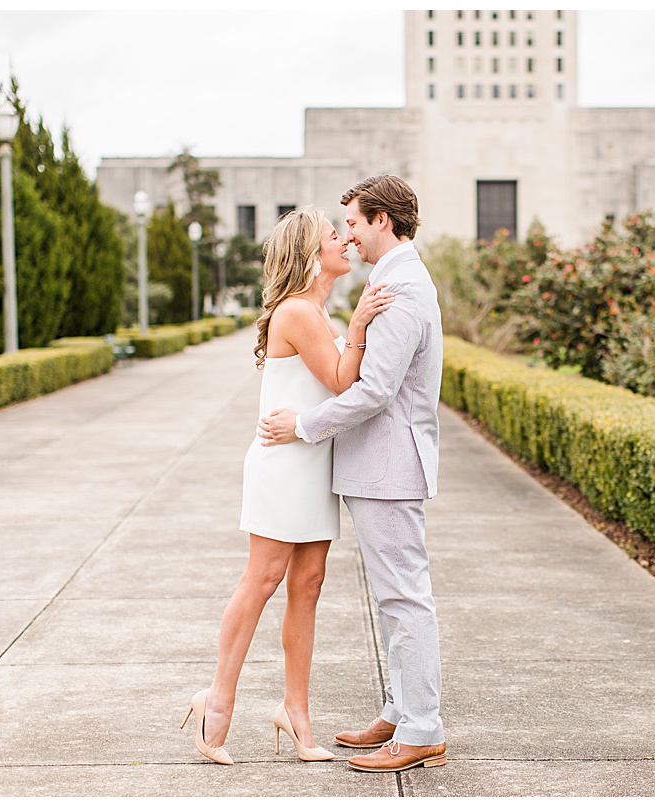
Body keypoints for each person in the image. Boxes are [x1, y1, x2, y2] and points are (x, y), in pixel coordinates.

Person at [181, 207, 394, 765]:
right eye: (333, 235)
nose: (346, 240)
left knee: (309, 584)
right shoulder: (299, 312)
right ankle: (217, 701)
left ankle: (295, 713)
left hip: (314, 464)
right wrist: (358, 329)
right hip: (282, 463)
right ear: (309, 253)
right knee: (264, 578)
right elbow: (343, 380)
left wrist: (350, 326)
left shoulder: (317, 312)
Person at [259, 174, 447, 774]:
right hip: (377, 468)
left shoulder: (402, 287)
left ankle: (421, 729)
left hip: (389, 467)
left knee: (404, 597)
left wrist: (305, 425)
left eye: (357, 224)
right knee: (392, 597)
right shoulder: (387, 281)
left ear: (383, 222)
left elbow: (373, 391)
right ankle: (399, 711)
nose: (349, 235)